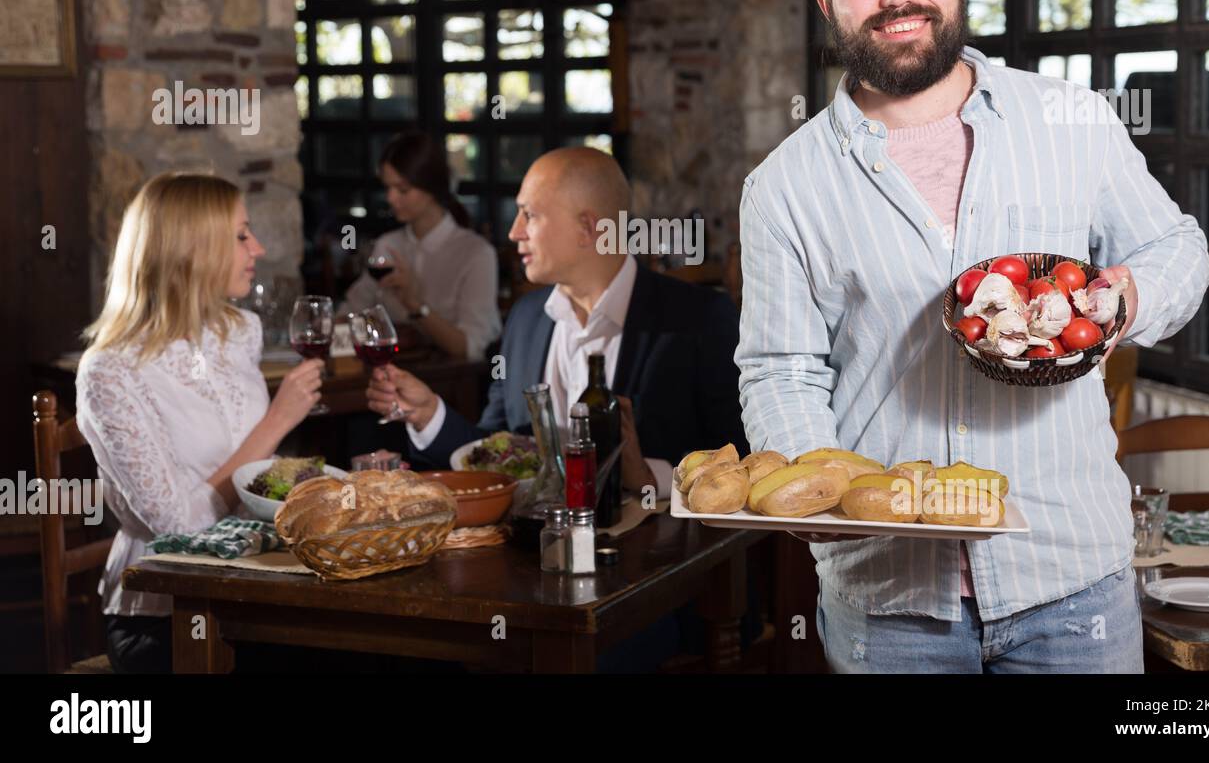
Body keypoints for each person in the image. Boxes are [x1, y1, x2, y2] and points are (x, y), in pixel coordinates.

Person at [736, 0, 1209, 674]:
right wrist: (813, 480)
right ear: (828, 0)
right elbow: (781, 369)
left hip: (1071, 582)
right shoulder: (782, 186)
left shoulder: (1071, 120)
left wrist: (1131, 296)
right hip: (888, 604)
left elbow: (1178, 247)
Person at [366, 147, 746, 509]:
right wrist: (429, 413)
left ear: (586, 227)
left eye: (528, 215)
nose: (514, 232)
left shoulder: (701, 319)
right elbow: (496, 450)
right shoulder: (526, 318)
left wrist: (647, 476)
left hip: (663, 562)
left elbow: (742, 460)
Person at [76, 173, 324, 673]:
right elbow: (177, 527)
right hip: (169, 612)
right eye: (240, 235)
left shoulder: (239, 331)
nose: (257, 246)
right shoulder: (110, 372)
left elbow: (260, 474)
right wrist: (276, 422)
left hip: (262, 580)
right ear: (191, 248)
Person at [340, 132, 501, 360]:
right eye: (387, 188)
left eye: (403, 190)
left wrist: (416, 305)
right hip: (387, 373)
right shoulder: (388, 244)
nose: (391, 198)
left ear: (432, 188)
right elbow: (350, 312)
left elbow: (470, 348)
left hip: (452, 383)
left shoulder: (475, 254)